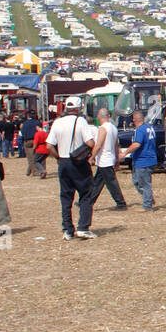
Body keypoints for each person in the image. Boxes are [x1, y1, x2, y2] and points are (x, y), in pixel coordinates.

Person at [48, 97, 98, 240]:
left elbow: (49, 146)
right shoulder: (80, 121)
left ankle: (67, 229)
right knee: (86, 194)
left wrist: (58, 157)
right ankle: (83, 227)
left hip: (63, 161)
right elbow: (89, 142)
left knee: (66, 197)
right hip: (78, 162)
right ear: (78, 108)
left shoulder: (57, 122)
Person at [89, 107, 127, 210]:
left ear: (98, 117)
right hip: (109, 158)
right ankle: (88, 201)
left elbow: (98, 145)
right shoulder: (113, 128)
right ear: (108, 116)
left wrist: (92, 157)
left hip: (104, 160)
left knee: (111, 183)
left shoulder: (103, 128)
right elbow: (115, 145)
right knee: (97, 182)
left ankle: (121, 203)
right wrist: (116, 158)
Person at [125, 109, 157, 211]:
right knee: (137, 181)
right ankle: (149, 199)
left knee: (144, 183)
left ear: (134, 120)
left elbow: (137, 144)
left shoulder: (140, 130)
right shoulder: (149, 128)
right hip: (146, 159)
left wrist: (125, 153)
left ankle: (147, 205)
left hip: (143, 160)